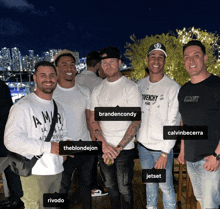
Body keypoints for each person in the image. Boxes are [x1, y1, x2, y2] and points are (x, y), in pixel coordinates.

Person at [4, 61, 69, 209]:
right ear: (35, 78)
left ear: (57, 78)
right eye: (43, 75)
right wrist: (48, 147)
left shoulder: (59, 107)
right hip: (35, 172)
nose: (48, 79)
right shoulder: (22, 106)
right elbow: (11, 140)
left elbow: (63, 133)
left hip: (57, 170)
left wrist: (66, 148)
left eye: (52, 75)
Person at [90, 46, 142, 209]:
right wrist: (104, 144)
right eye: (104, 62)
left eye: (112, 61)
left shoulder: (131, 88)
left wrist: (118, 147)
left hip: (124, 150)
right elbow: (93, 120)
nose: (108, 65)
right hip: (104, 148)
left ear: (119, 63)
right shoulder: (98, 89)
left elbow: (136, 122)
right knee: (111, 188)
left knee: (125, 188)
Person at [137, 43, 181, 209]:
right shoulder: (139, 85)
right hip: (142, 147)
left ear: (164, 61)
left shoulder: (173, 88)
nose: (156, 60)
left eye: (160, 57)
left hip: (161, 149)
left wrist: (164, 153)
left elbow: (173, 123)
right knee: (150, 183)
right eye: (153, 56)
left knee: (165, 186)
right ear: (147, 60)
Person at [178, 40, 220, 209]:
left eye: (196, 56)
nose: (191, 61)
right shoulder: (184, 90)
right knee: (202, 201)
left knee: (210, 205)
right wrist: (182, 149)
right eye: (187, 57)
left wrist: (217, 156)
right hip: (191, 159)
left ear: (205, 58)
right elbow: (184, 121)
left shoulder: (217, 85)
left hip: (211, 159)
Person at [53, 50, 95, 209]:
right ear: (57, 69)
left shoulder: (85, 91)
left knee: (86, 185)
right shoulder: (51, 94)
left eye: (72, 64)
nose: (69, 67)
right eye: (64, 64)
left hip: (85, 145)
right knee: (62, 188)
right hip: (62, 148)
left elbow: (90, 120)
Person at [76, 50, 108, 197]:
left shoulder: (75, 79)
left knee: (81, 162)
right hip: (96, 127)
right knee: (94, 159)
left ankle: (82, 188)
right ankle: (94, 187)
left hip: (78, 127)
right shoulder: (100, 83)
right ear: (98, 65)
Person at [0, 80, 24, 208]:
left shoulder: (1, 86)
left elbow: (6, 109)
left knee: (10, 166)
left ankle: (17, 198)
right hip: (3, 133)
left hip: (3, 134)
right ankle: (16, 197)